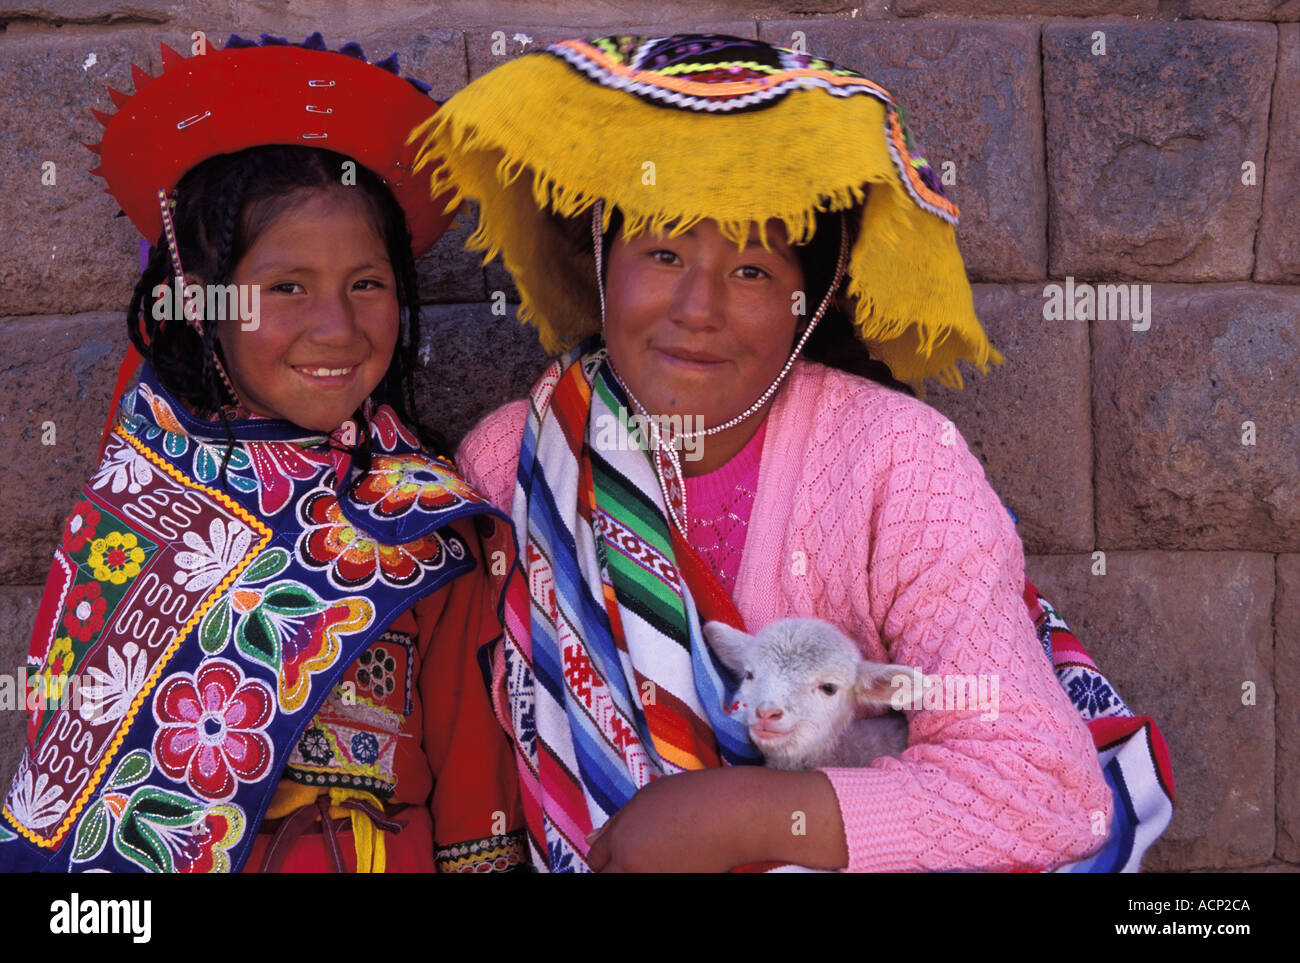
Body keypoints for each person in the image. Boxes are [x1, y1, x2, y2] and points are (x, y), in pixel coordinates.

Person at [412, 33, 1174, 872]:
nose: (697, 307)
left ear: (807, 304)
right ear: (603, 263)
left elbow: (1042, 789)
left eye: (751, 272)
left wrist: (749, 815)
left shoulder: (899, 462)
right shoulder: (515, 461)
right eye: (663, 254)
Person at [0, 34, 525, 873]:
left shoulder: (420, 520)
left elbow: (473, 785)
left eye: (367, 283)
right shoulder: (140, 488)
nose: (337, 329)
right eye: (285, 287)